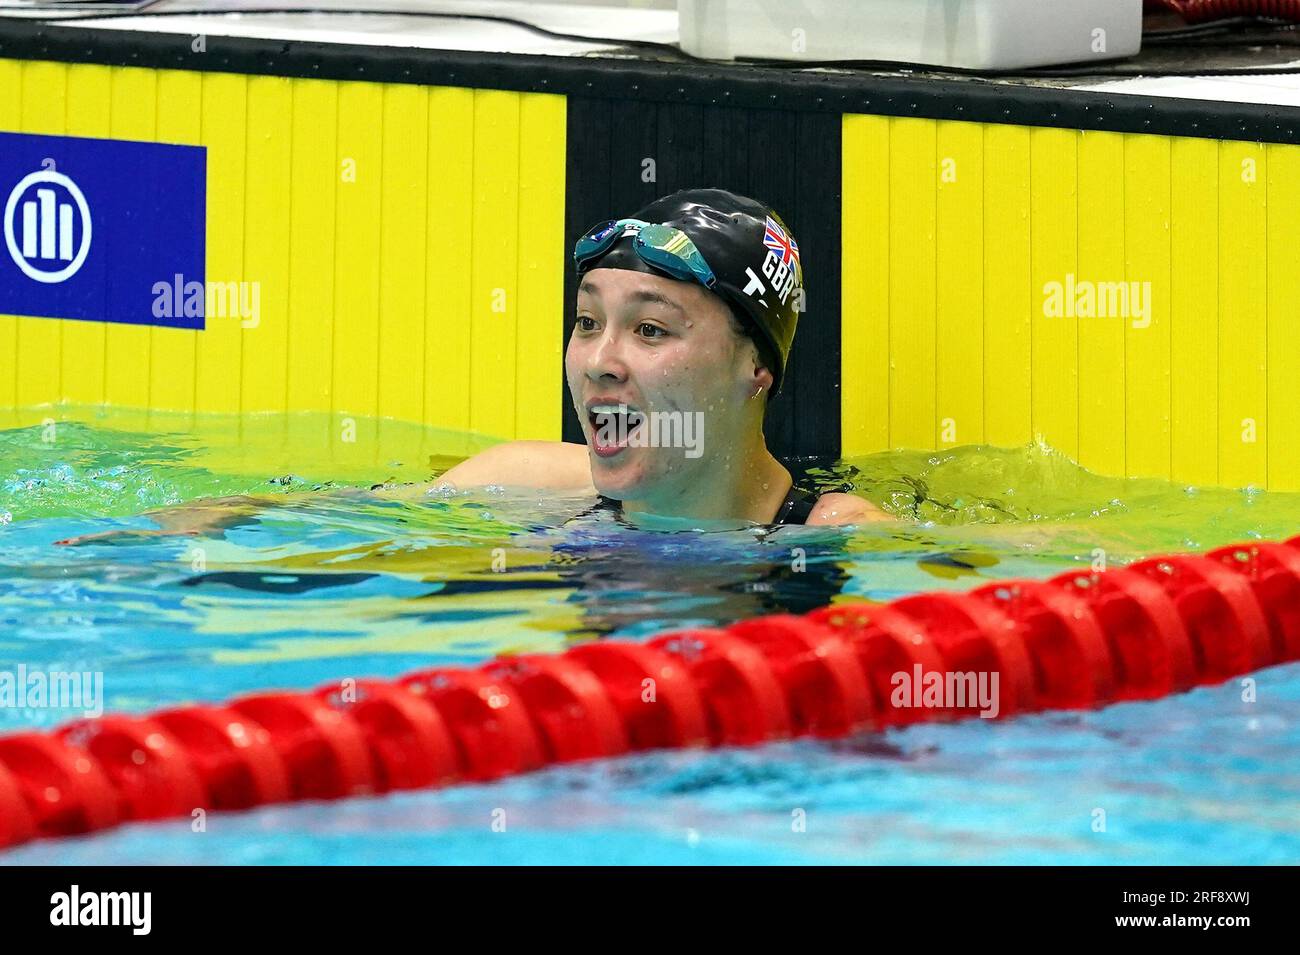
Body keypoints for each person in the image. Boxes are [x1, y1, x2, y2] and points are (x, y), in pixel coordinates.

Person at [437, 187, 887, 527]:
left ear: (756, 366)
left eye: (650, 329)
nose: (599, 362)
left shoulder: (845, 540)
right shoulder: (511, 484)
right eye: (588, 322)